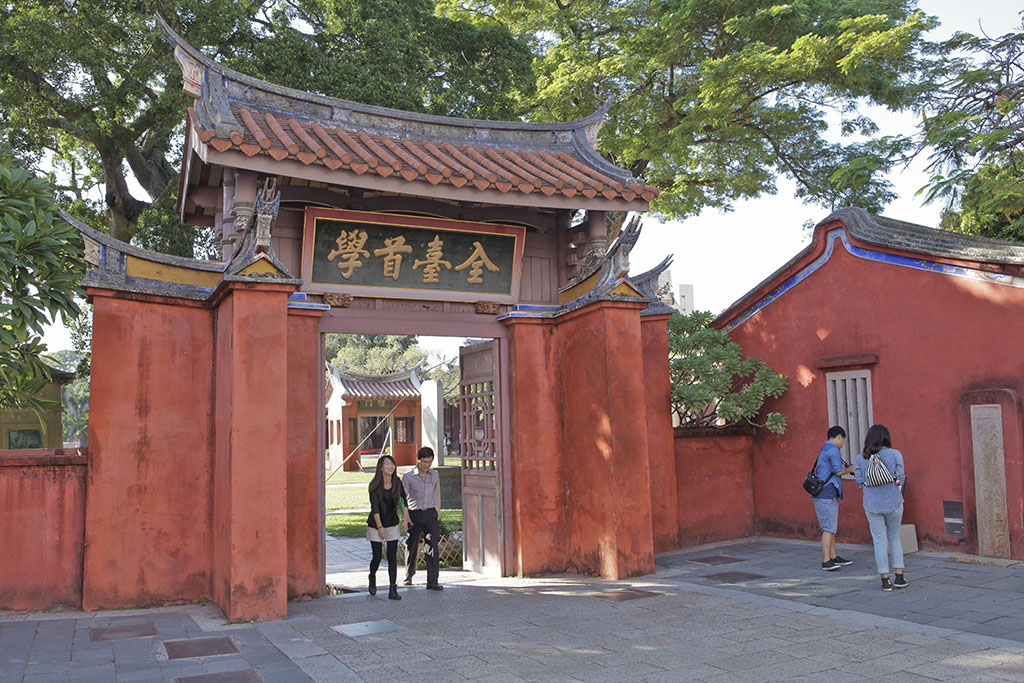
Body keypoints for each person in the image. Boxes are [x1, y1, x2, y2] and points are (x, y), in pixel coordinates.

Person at [854, 424, 908, 591]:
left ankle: (885, 579)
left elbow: (859, 482)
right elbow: (901, 479)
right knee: (895, 537)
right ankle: (899, 576)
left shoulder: (860, 458)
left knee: (879, 540)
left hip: (872, 504)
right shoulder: (895, 454)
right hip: (893, 502)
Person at [812, 425, 856, 571]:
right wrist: (851, 469)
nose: (843, 443)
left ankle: (834, 556)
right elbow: (839, 471)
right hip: (827, 495)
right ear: (839, 437)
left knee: (830, 527)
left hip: (824, 494)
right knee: (828, 528)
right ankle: (826, 560)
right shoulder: (833, 450)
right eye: (843, 440)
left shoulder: (825, 448)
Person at [402, 446, 443, 590]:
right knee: (412, 545)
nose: (427, 465)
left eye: (429, 462)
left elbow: (437, 493)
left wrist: (437, 511)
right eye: (424, 462)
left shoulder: (435, 475)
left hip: (430, 513)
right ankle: (408, 575)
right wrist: (405, 518)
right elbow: (403, 499)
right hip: (415, 513)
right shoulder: (408, 477)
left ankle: (432, 581)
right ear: (418, 460)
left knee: (432, 546)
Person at [367, 455, 407, 600]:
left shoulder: (397, 482)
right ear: (381, 467)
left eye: (393, 464)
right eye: (387, 464)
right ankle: (372, 576)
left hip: (392, 523)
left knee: (392, 556)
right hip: (375, 524)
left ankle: (393, 588)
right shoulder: (374, 485)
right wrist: (379, 527)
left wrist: (405, 519)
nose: (391, 467)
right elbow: (375, 507)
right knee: (377, 556)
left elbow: (404, 500)